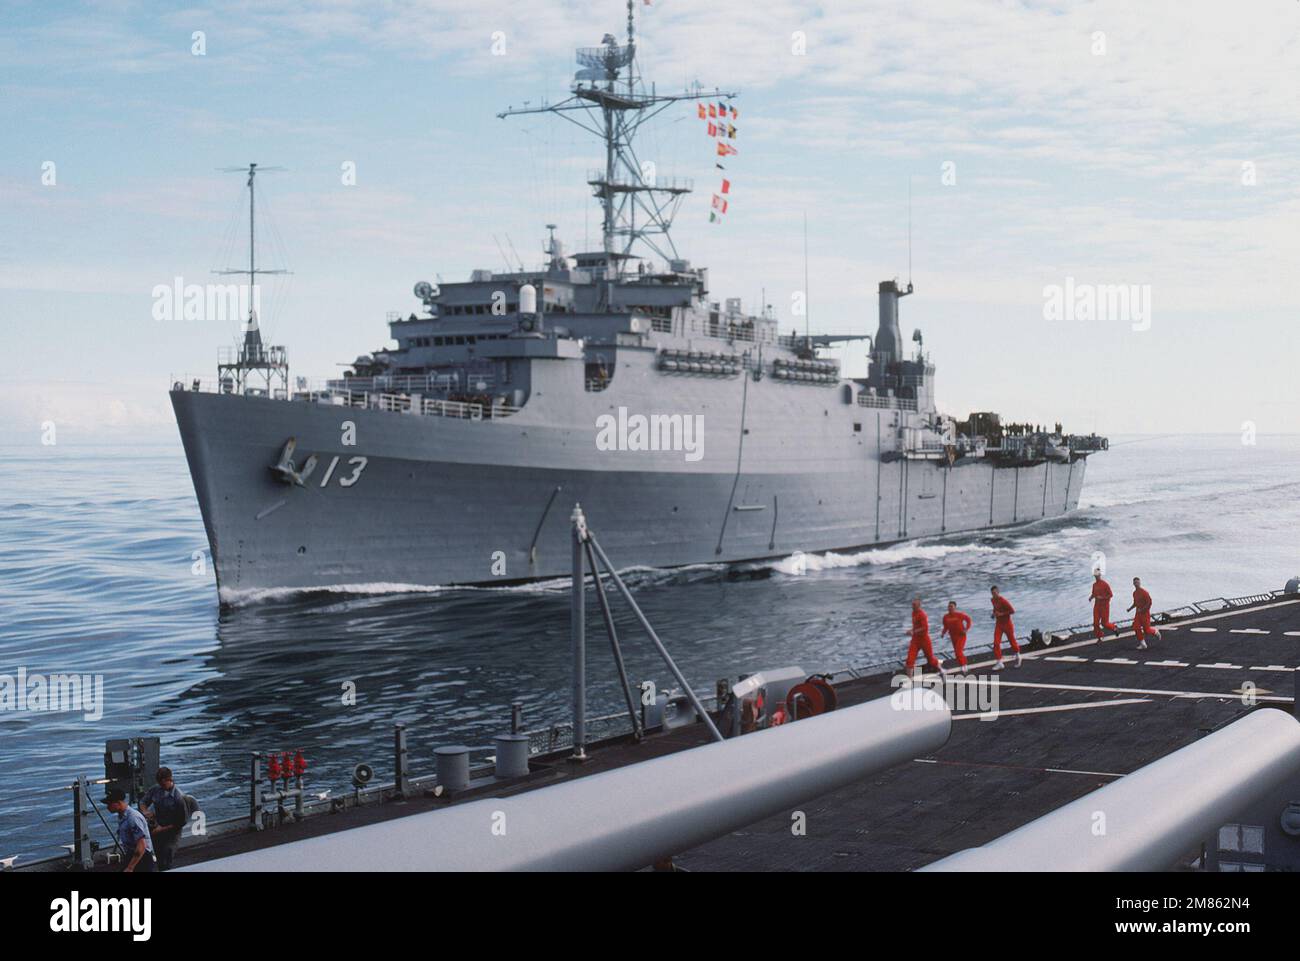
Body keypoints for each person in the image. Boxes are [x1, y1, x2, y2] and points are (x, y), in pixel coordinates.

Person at [141, 767, 187, 870]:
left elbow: (181, 821)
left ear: (170, 780)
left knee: (167, 857)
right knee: (158, 859)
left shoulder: (179, 798)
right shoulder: (156, 789)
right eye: (160, 784)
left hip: (172, 832)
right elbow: (143, 802)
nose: (161, 787)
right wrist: (145, 811)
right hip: (157, 828)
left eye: (163, 784)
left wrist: (162, 829)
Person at [104, 787, 155, 872]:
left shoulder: (133, 817)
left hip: (142, 858)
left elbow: (141, 845)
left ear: (118, 803)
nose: (107, 807)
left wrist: (130, 868)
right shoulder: (122, 816)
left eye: (109, 804)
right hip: (131, 854)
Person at [904, 597, 947, 677]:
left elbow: (925, 628)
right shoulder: (913, 613)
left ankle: (941, 670)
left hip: (924, 640)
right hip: (915, 640)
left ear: (919, 605)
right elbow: (916, 626)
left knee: (930, 659)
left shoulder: (922, 615)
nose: (912, 607)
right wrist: (910, 630)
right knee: (910, 660)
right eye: (912, 605)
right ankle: (909, 679)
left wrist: (913, 631)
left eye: (914, 605)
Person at [989, 586, 1021, 670]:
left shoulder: (1003, 601)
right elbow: (995, 608)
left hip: (1007, 624)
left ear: (998, 592)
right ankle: (999, 662)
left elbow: (1012, 611)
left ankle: (1018, 655)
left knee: (1012, 642)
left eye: (995, 593)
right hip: (999, 624)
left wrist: (1001, 614)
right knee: (996, 643)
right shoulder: (992, 600)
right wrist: (993, 614)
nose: (993, 595)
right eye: (992, 593)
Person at [1127, 576, 1162, 650]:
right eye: (1135, 582)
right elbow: (1135, 603)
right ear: (1133, 583)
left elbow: (1149, 602)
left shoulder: (1144, 592)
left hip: (1145, 614)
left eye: (1137, 582)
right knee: (1136, 628)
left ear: (1140, 583)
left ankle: (1155, 632)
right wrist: (1130, 608)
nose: (1136, 584)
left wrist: (1143, 610)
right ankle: (1143, 644)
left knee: (1147, 630)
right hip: (1138, 614)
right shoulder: (1134, 593)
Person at [941, 601, 972, 673]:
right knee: (957, 653)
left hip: (961, 636)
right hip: (953, 637)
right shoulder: (945, 617)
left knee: (958, 651)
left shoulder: (959, 615)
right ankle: (963, 664)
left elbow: (968, 620)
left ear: (955, 607)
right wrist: (943, 633)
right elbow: (946, 626)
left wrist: (966, 629)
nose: (950, 608)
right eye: (949, 606)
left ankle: (964, 666)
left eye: (951, 606)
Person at [1089, 571, 1120, 640]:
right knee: (1095, 623)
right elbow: (1094, 593)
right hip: (1097, 606)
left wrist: (1102, 597)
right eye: (1095, 575)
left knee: (1104, 623)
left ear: (1100, 575)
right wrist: (1091, 597)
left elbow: (1110, 595)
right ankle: (1100, 636)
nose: (1096, 576)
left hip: (1104, 607)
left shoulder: (1105, 584)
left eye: (1097, 575)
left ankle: (1114, 627)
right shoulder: (1094, 585)